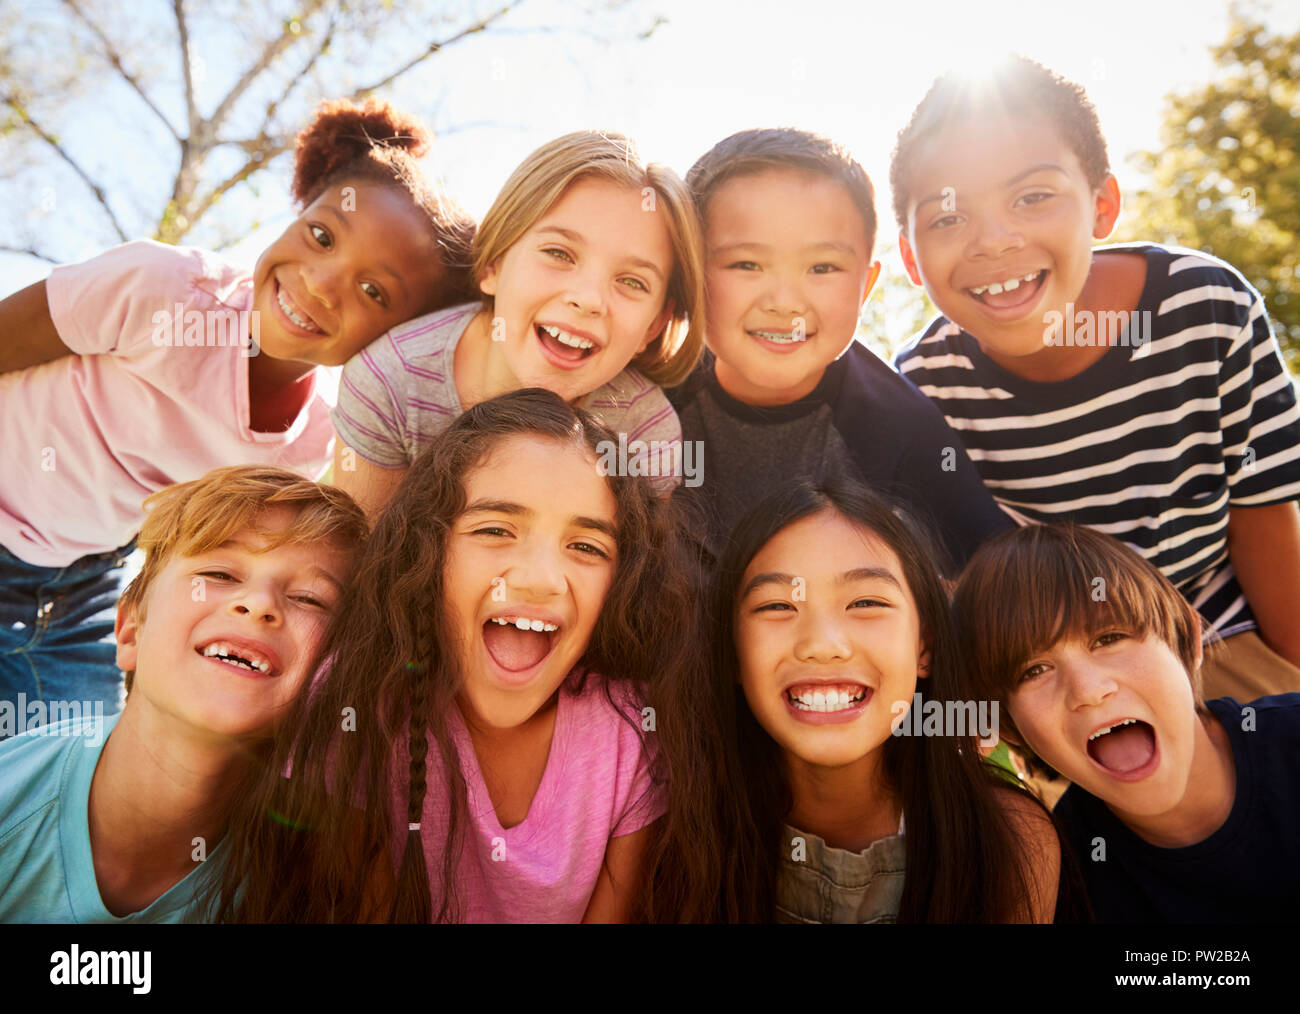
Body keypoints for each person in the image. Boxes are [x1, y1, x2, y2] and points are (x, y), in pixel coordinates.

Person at [0, 98, 474, 728]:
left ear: (399, 337)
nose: (321, 282)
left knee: (61, 775)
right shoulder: (160, 289)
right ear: (300, 211)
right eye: (323, 235)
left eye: (373, 291)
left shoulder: (314, 447)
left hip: (77, 595)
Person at [209, 389, 715, 923]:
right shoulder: (359, 706)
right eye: (495, 530)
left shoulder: (630, 731)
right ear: (430, 552)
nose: (540, 578)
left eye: (587, 546)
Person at [892, 55, 1300, 700]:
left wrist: (1289, 680)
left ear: (1102, 206)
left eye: (1032, 196)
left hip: (1225, 628)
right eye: (948, 217)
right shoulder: (923, 388)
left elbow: (1267, 514)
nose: (994, 241)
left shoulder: (1205, 306)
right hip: (1061, 656)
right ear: (912, 256)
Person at [0, 466, 366, 922]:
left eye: (310, 599)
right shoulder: (9, 804)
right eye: (219, 572)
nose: (259, 605)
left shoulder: (344, 871)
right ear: (131, 629)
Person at [705, 477, 1060, 923]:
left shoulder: (1008, 837)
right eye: (777, 606)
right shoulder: (679, 827)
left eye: (866, 602)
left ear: (924, 645)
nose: (824, 644)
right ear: (733, 651)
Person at [666, 128, 1010, 570]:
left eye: (822, 267)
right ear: (691, 272)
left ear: (865, 286)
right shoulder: (647, 403)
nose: (785, 302)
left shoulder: (902, 431)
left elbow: (993, 583)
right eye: (746, 264)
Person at [330, 131, 705, 520]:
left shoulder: (643, 431)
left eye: (632, 282)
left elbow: (637, 575)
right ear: (494, 264)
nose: (589, 299)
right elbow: (363, 564)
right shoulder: (392, 380)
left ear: (653, 326)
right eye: (559, 253)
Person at [953, 523, 1300, 922]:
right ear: (1010, 729)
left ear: (1185, 636)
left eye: (1109, 638)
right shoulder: (1059, 879)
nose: (1087, 690)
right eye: (1034, 671)